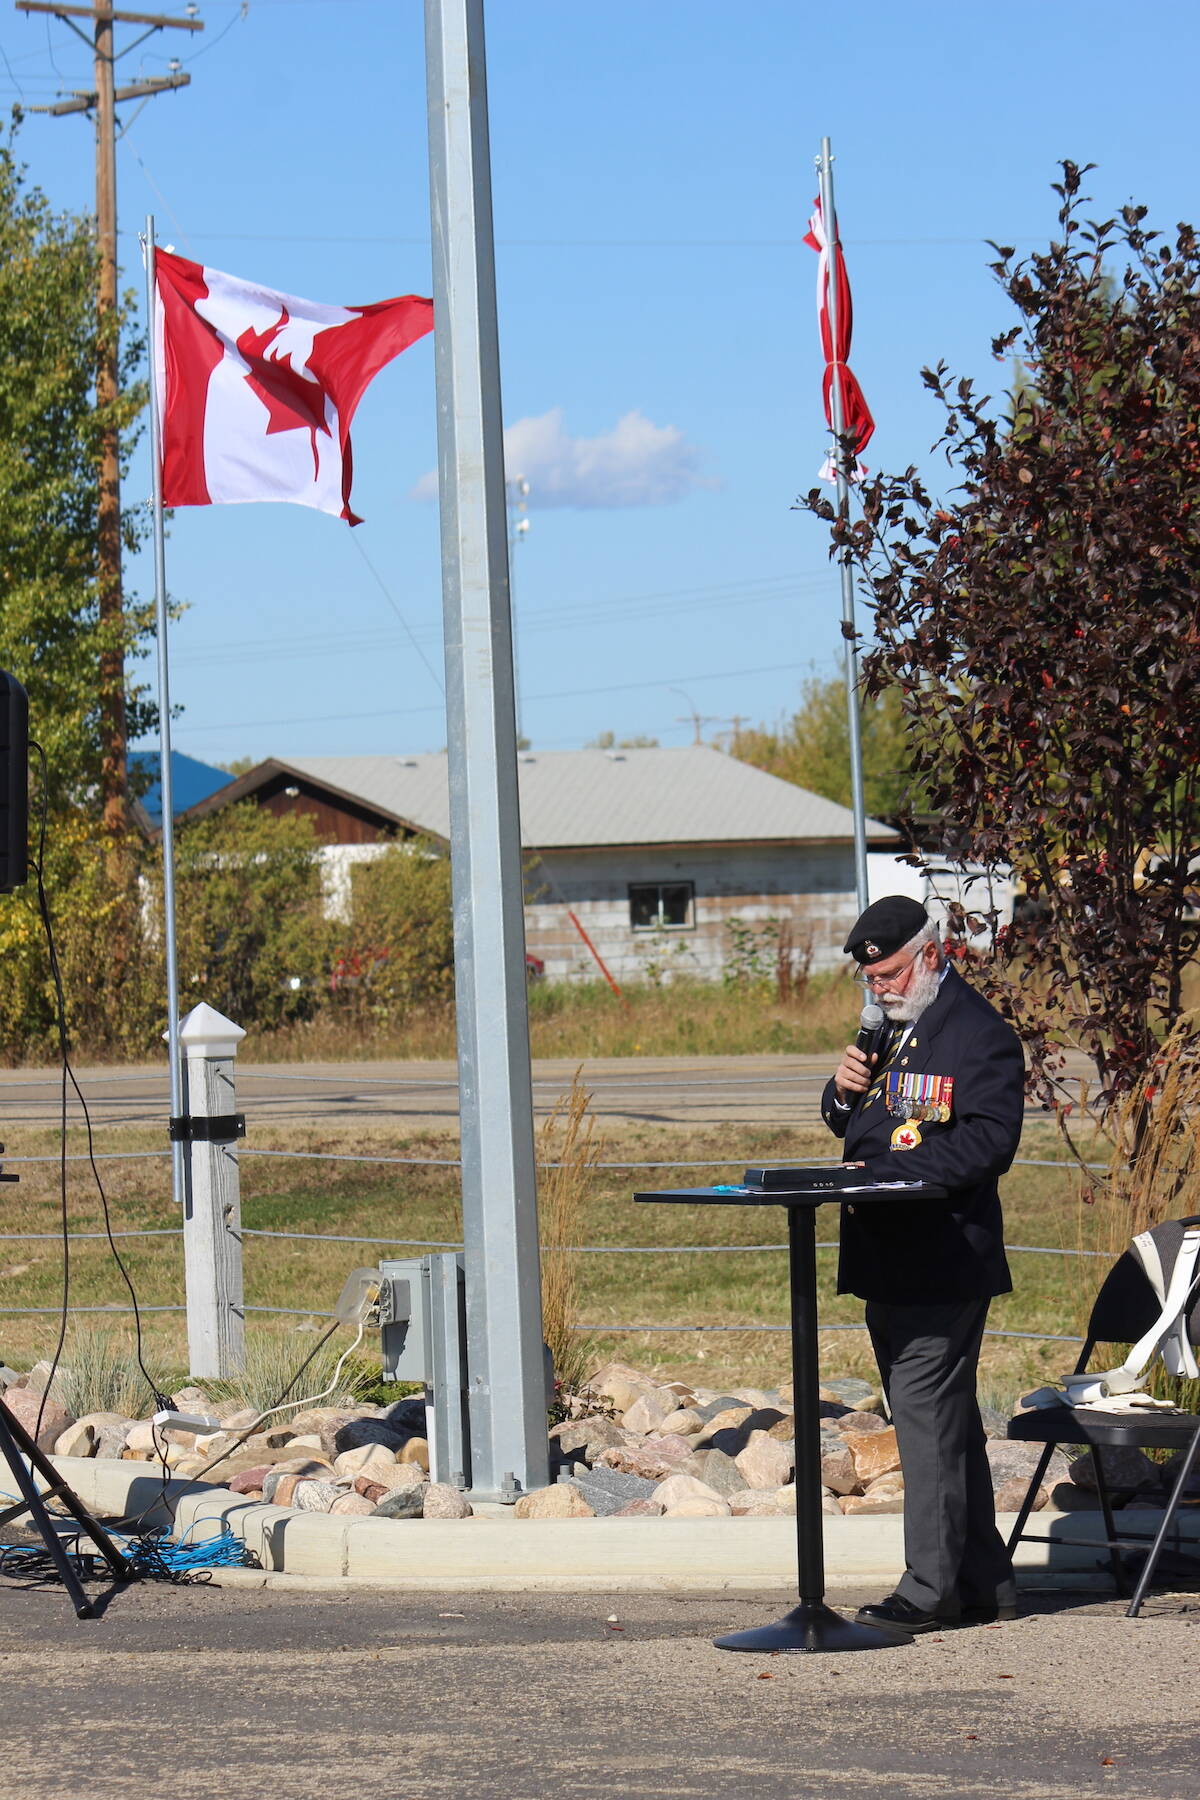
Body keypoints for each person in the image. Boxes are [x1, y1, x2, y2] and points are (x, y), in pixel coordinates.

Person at [820, 894, 1025, 1635]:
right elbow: (861, 1125)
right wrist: (840, 1094)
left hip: (943, 1257)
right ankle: (982, 1581)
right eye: (871, 980)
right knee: (947, 1423)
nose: (880, 990)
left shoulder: (977, 1034)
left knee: (924, 1419)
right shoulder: (895, 1031)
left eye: (892, 974)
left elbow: (990, 1141)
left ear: (932, 954)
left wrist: (889, 1173)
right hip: (891, 1259)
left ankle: (928, 1589)